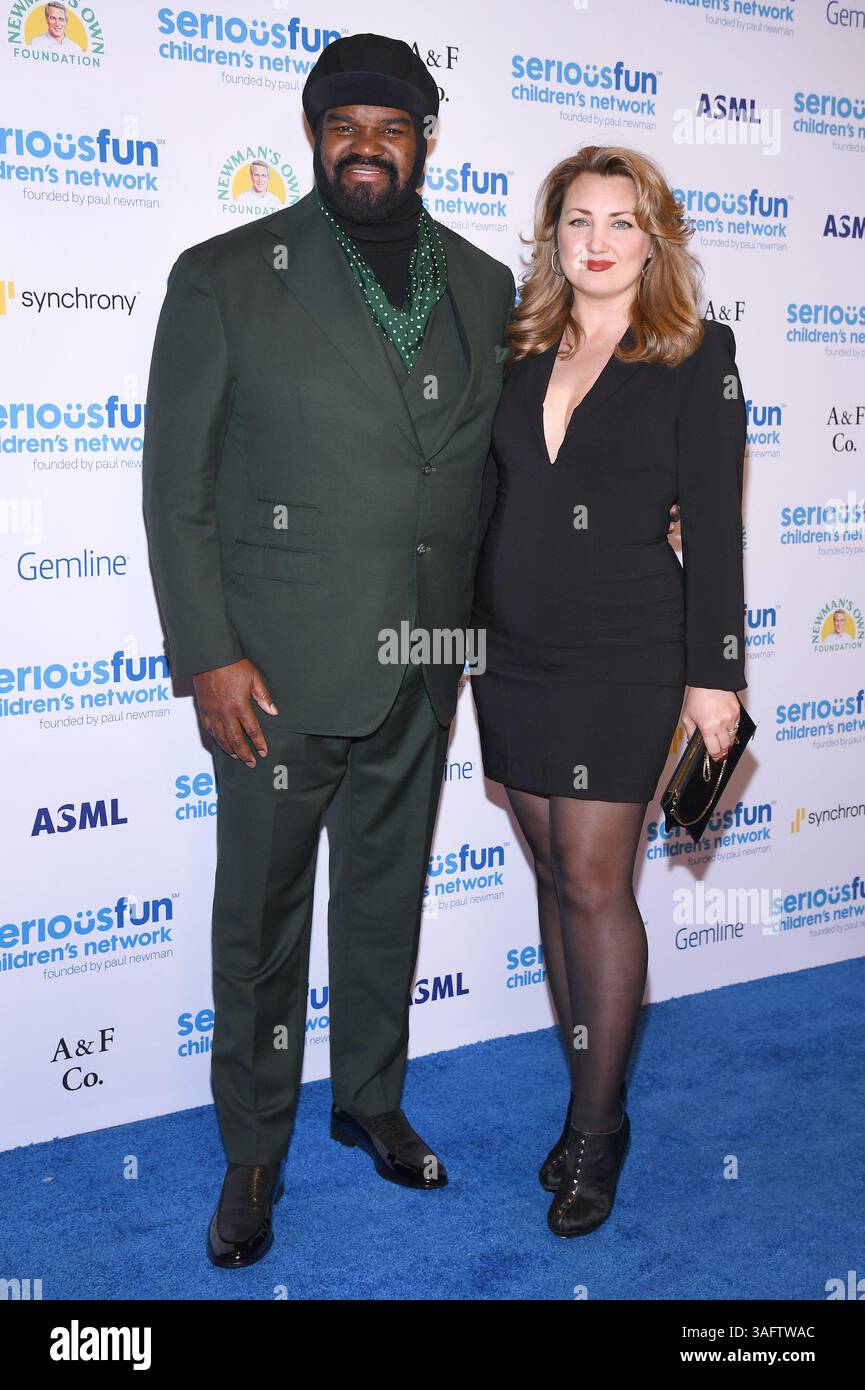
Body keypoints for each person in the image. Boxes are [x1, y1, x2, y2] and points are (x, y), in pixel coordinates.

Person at [141, 32, 515, 1268]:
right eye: (344, 122)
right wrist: (206, 652)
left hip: (425, 653)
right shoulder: (229, 275)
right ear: (314, 137)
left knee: (386, 893)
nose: (367, 144)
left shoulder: (481, 284)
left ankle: (368, 1095)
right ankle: (254, 1152)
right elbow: (176, 488)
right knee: (260, 916)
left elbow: (504, 462)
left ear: (424, 142)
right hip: (276, 665)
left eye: (392, 125)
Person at [470, 145, 748, 1237]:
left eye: (620, 221)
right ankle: (585, 1088)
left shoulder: (696, 353)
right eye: (575, 220)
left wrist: (714, 675)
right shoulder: (517, 346)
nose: (595, 240)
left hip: (626, 650)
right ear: (552, 238)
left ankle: (598, 1127)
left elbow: (714, 529)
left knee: (594, 884)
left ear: (655, 237)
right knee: (549, 874)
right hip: (511, 651)